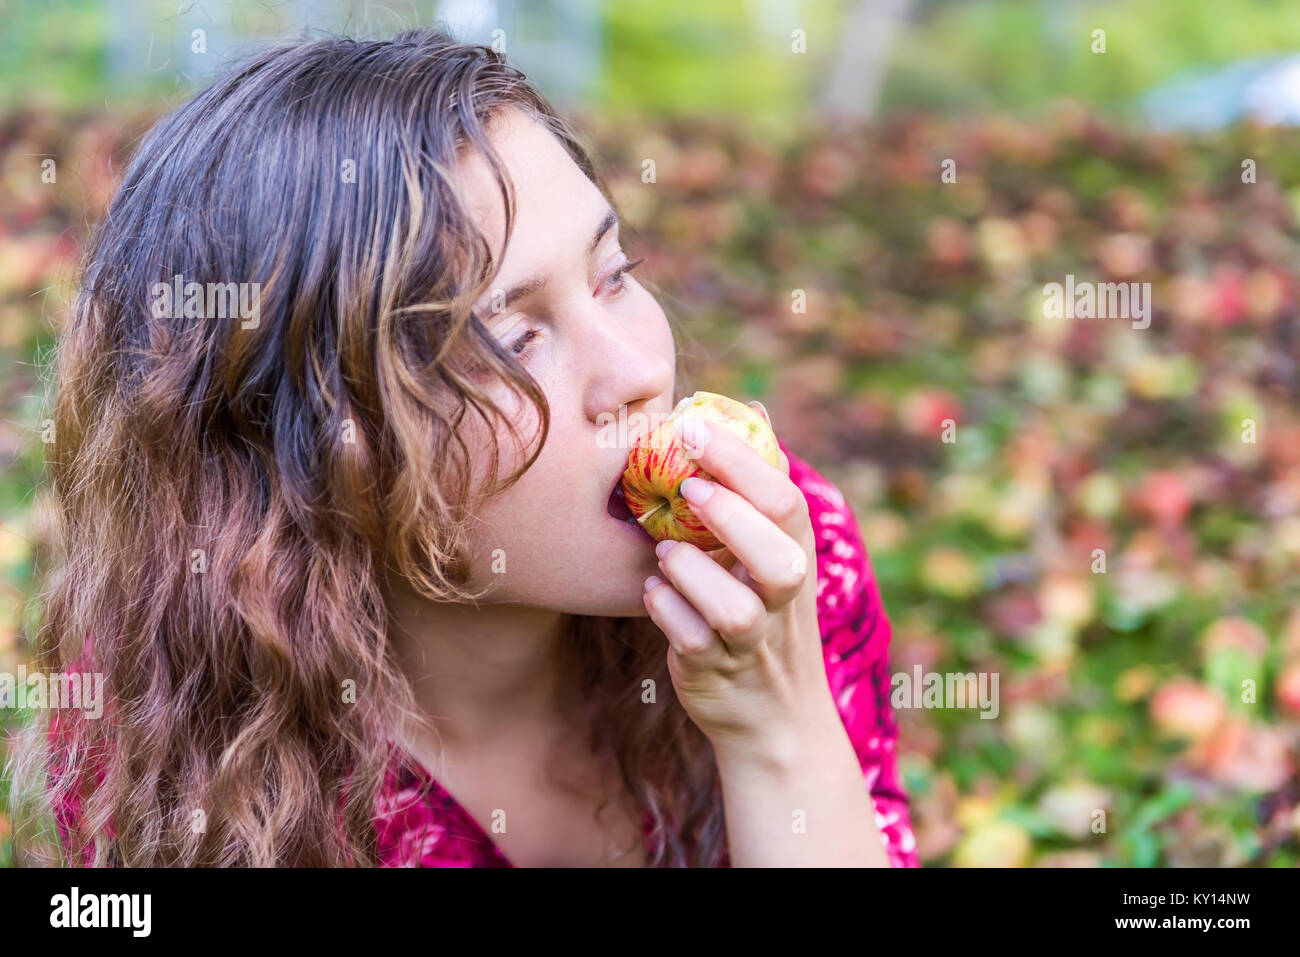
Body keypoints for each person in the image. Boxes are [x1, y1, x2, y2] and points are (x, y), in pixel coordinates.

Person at [12, 29, 918, 868]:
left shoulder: (785, 564)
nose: (638, 372)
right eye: (511, 339)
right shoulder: (183, 755)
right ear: (318, 447)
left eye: (614, 277)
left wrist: (779, 726)